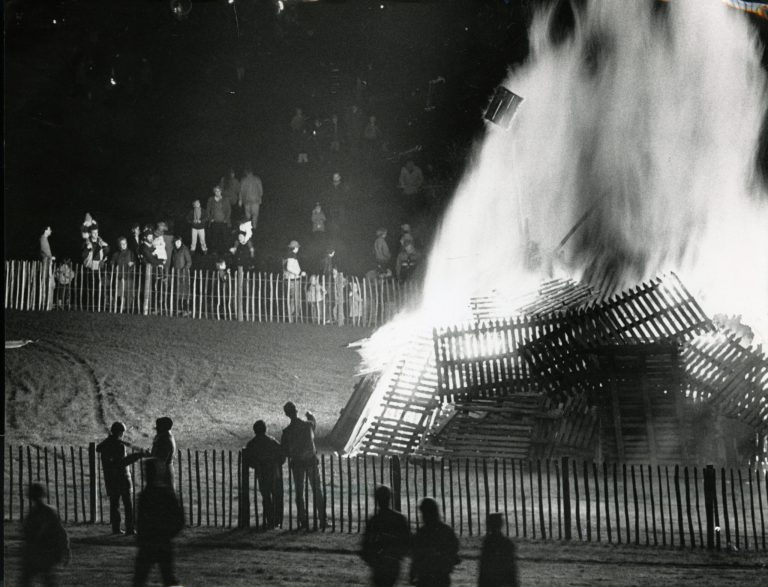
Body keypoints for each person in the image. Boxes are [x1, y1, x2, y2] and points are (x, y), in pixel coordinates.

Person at [133, 458, 184, 587]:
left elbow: (140, 521)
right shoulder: (167, 493)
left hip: (148, 543)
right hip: (163, 542)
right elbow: (179, 520)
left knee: (140, 579)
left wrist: (142, 537)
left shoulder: (146, 495)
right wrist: (168, 534)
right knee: (169, 578)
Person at [281, 401, 326, 530]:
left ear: (286, 414)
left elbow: (285, 450)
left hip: (297, 464)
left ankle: (303, 520)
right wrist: (310, 414)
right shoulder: (308, 426)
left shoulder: (287, 432)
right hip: (311, 461)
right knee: (317, 490)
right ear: (296, 410)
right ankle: (322, 519)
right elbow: (314, 423)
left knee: (299, 493)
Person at [96, 421, 147, 535]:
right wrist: (137, 455)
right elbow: (122, 462)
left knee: (114, 505)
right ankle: (129, 528)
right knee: (128, 505)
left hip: (110, 478)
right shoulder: (119, 445)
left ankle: (116, 528)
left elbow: (100, 449)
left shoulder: (106, 444)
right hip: (122, 478)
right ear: (120, 432)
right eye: (122, 432)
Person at [21, 483, 70, 587]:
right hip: (40, 553)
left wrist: (65, 549)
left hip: (44, 553)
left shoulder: (44, 512)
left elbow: (59, 532)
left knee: (40, 580)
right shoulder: (39, 512)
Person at [361, 485, 410, 587]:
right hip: (394, 564)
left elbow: (365, 546)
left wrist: (372, 560)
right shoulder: (399, 518)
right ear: (390, 498)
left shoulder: (374, 520)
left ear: (376, 500)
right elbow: (407, 542)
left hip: (379, 565)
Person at [243, 420, 285, 529]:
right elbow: (282, 455)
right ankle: (277, 520)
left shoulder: (252, 444)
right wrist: (277, 464)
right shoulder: (272, 442)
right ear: (265, 429)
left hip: (261, 473)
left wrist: (256, 466)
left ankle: (270, 519)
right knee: (276, 496)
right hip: (273, 472)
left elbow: (248, 459)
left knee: (266, 497)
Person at [410, 497, 460, 587]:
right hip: (441, 576)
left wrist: (413, 573)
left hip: (426, 577)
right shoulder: (446, 530)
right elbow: (454, 550)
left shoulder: (422, 532)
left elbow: (416, 556)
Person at [478, 513, 520, 587]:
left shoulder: (487, 542)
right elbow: (511, 567)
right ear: (501, 525)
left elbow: (483, 567)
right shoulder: (506, 542)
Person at [111, 237, 137, 312]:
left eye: (125, 243)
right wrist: (114, 266)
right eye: (122, 244)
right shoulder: (116, 254)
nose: (124, 245)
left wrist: (133, 263)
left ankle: (129, 308)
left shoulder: (130, 252)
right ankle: (122, 307)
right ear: (119, 245)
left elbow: (135, 262)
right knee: (121, 293)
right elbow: (112, 262)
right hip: (120, 276)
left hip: (129, 276)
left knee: (129, 293)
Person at [150, 417, 176, 490]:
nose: (157, 429)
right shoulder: (166, 437)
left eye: (158, 427)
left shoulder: (164, 440)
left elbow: (160, 460)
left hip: (163, 476)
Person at [282, 240, 305, 323]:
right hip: (293, 280)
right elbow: (289, 267)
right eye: (297, 247)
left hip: (289, 279)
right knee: (295, 298)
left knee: (292, 298)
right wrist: (299, 273)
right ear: (295, 248)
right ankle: (293, 316)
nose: (298, 249)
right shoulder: (292, 256)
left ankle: (291, 316)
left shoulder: (287, 256)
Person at [205, 185, 232, 256]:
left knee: (225, 237)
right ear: (214, 192)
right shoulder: (211, 199)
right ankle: (214, 251)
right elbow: (208, 210)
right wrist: (211, 218)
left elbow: (229, 210)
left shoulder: (225, 199)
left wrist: (226, 219)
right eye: (216, 191)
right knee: (214, 237)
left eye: (219, 191)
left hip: (224, 222)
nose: (217, 192)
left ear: (221, 191)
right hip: (215, 222)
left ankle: (225, 251)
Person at [170, 235, 192, 316]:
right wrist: (171, 271)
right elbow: (172, 262)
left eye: (179, 241)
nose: (178, 243)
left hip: (183, 274)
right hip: (176, 273)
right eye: (176, 242)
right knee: (177, 292)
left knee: (185, 293)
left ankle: (186, 309)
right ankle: (179, 309)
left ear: (181, 242)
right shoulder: (174, 250)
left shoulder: (184, 250)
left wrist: (184, 270)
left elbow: (189, 262)